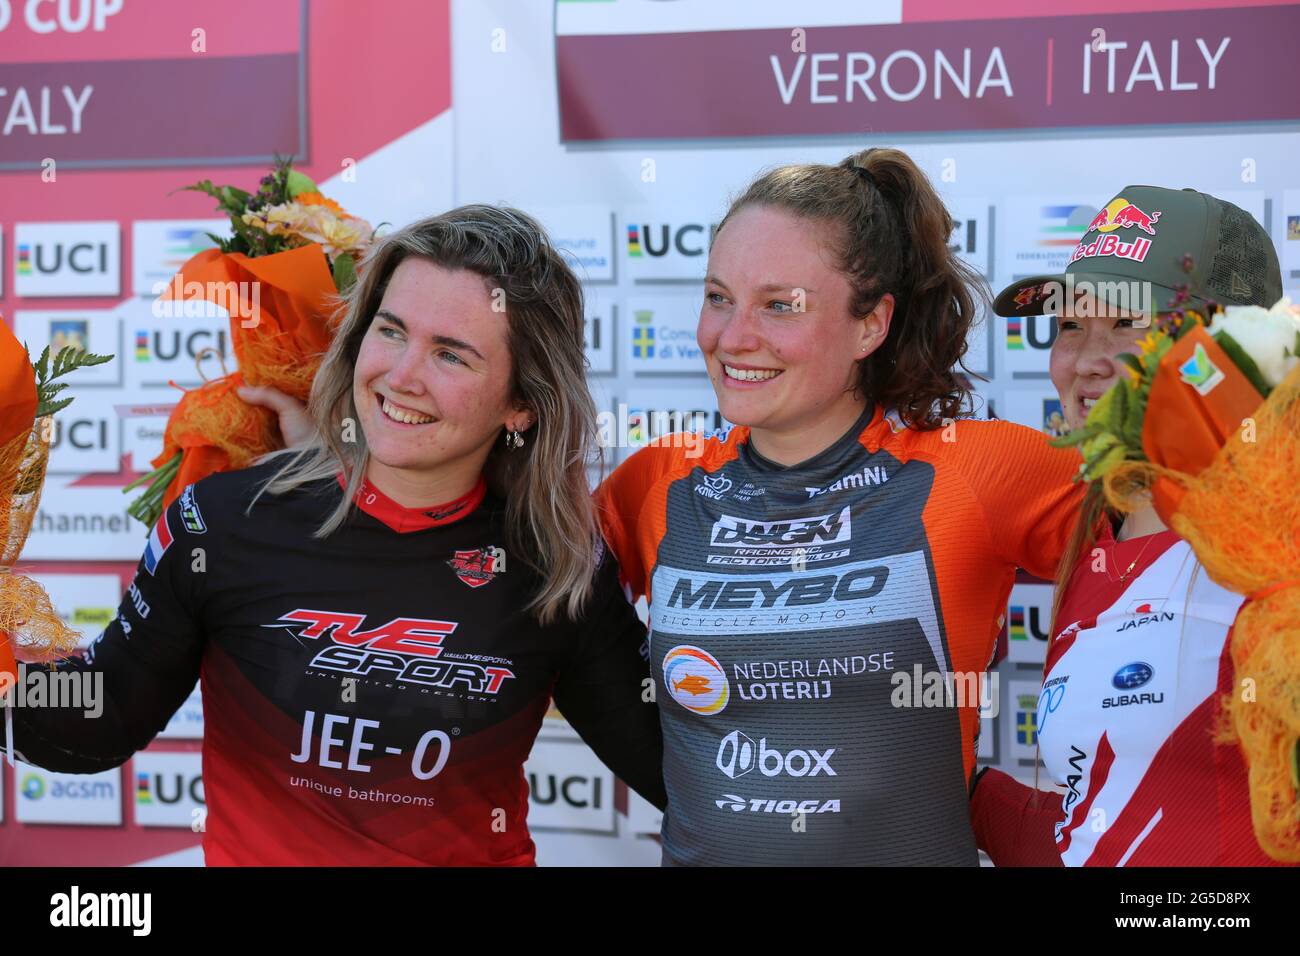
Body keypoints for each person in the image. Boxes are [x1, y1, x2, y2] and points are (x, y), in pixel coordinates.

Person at [3, 206, 665, 866]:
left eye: (451, 355)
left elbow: (682, 773)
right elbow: (101, 712)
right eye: (391, 331)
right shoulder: (226, 521)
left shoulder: (556, 563)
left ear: (523, 400)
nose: (402, 375)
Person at [594, 148, 1087, 865]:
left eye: (779, 305)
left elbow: (1204, 548)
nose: (732, 337)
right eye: (718, 296)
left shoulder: (979, 469)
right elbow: (513, 595)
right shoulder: (658, 484)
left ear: (871, 324)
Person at [970, 185, 1293, 866]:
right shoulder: (1091, 536)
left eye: (1127, 325)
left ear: (1229, 343)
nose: (1084, 359)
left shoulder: (1277, 541)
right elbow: (1105, 820)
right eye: (1069, 326)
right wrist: (954, 795)